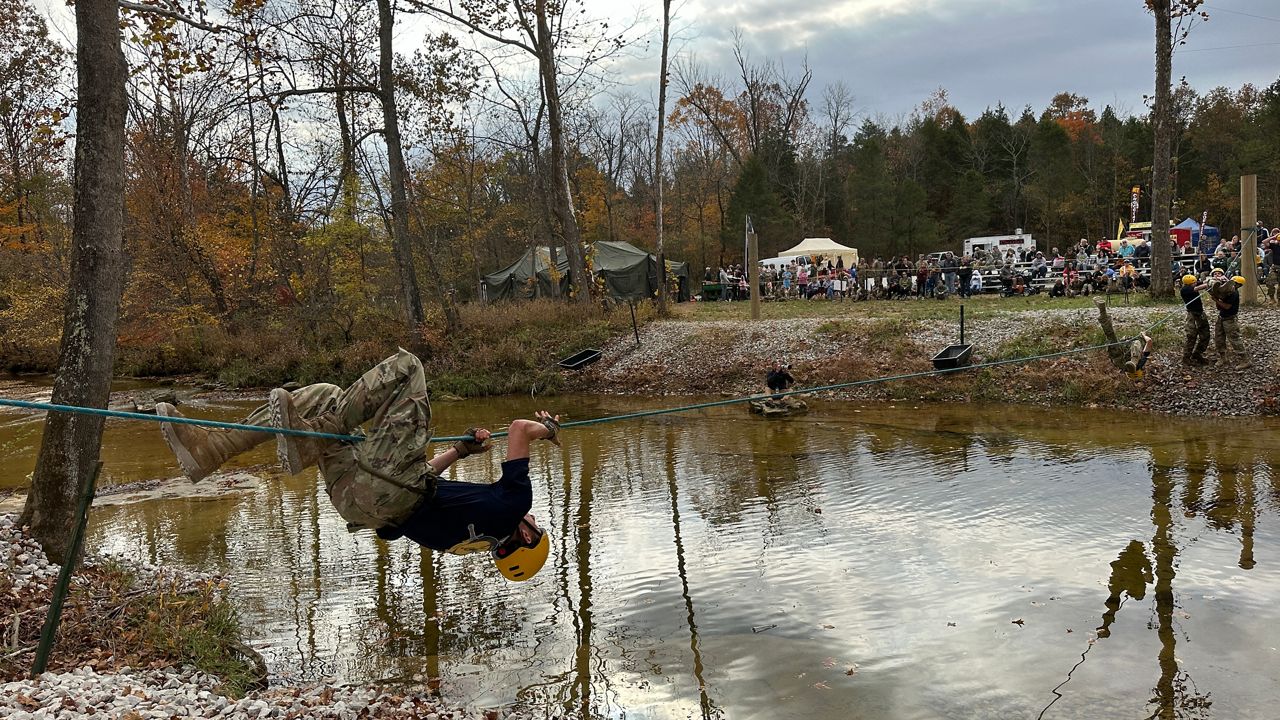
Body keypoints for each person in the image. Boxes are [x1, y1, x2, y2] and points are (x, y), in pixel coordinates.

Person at [155, 349, 561, 581]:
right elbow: (420, 491)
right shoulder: (459, 543)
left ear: (525, 538)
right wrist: (459, 451)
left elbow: (518, 430)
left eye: (536, 528)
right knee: (326, 397)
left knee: (408, 369)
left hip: (390, 485)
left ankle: (310, 438)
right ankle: (212, 450)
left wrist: (547, 428)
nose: (533, 519)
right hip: (355, 500)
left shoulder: (512, 503)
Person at [1212, 276, 1252, 367]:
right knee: (1219, 338)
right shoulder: (1226, 292)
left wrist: (1216, 300)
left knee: (1234, 339)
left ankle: (1245, 360)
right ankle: (1223, 358)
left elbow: (1226, 306)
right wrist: (1217, 297)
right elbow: (1219, 307)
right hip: (1222, 317)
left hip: (1230, 319)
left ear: (1238, 285)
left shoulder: (1234, 294)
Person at [1180, 274, 1210, 365]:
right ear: (1189, 284)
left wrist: (1213, 279)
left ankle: (1197, 353)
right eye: (1194, 282)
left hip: (1200, 314)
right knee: (1191, 336)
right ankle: (1186, 357)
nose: (1196, 283)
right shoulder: (1185, 289)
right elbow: (1199, 287)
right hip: (1192, 315)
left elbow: (1202, 283)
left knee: (1205, 334)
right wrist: (1210, 284)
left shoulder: (1193, 285)